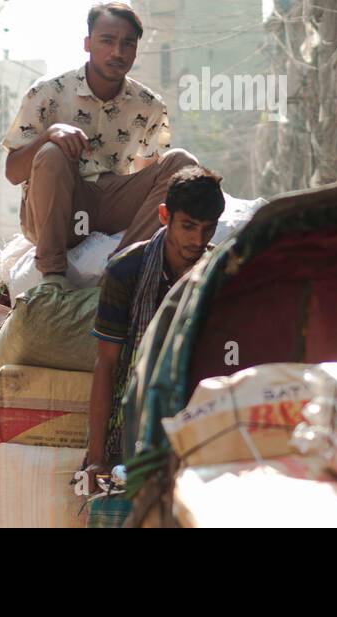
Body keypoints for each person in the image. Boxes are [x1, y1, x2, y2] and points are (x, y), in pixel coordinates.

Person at [2, 2, 199, 287]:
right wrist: (50, 134)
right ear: (88, 44)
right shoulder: (48, 92)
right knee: (51, 153)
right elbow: (12, 173)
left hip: (110, 203)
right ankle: (53, 275)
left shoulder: (149, 105)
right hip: (59, 210)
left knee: (182, 164)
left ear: (135, 50)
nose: (117, 52)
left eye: (127, 44)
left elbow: (151, 177)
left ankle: (122, 265)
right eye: (107, 41)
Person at [84, 166, 224, 484]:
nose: (198, 239)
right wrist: (96, 460)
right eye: (188, 226)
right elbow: (106, 364)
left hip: (197, 424)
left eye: (208, 229)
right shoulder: (125, 272)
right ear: (164, 215)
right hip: (131, 427)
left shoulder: (218, 274)